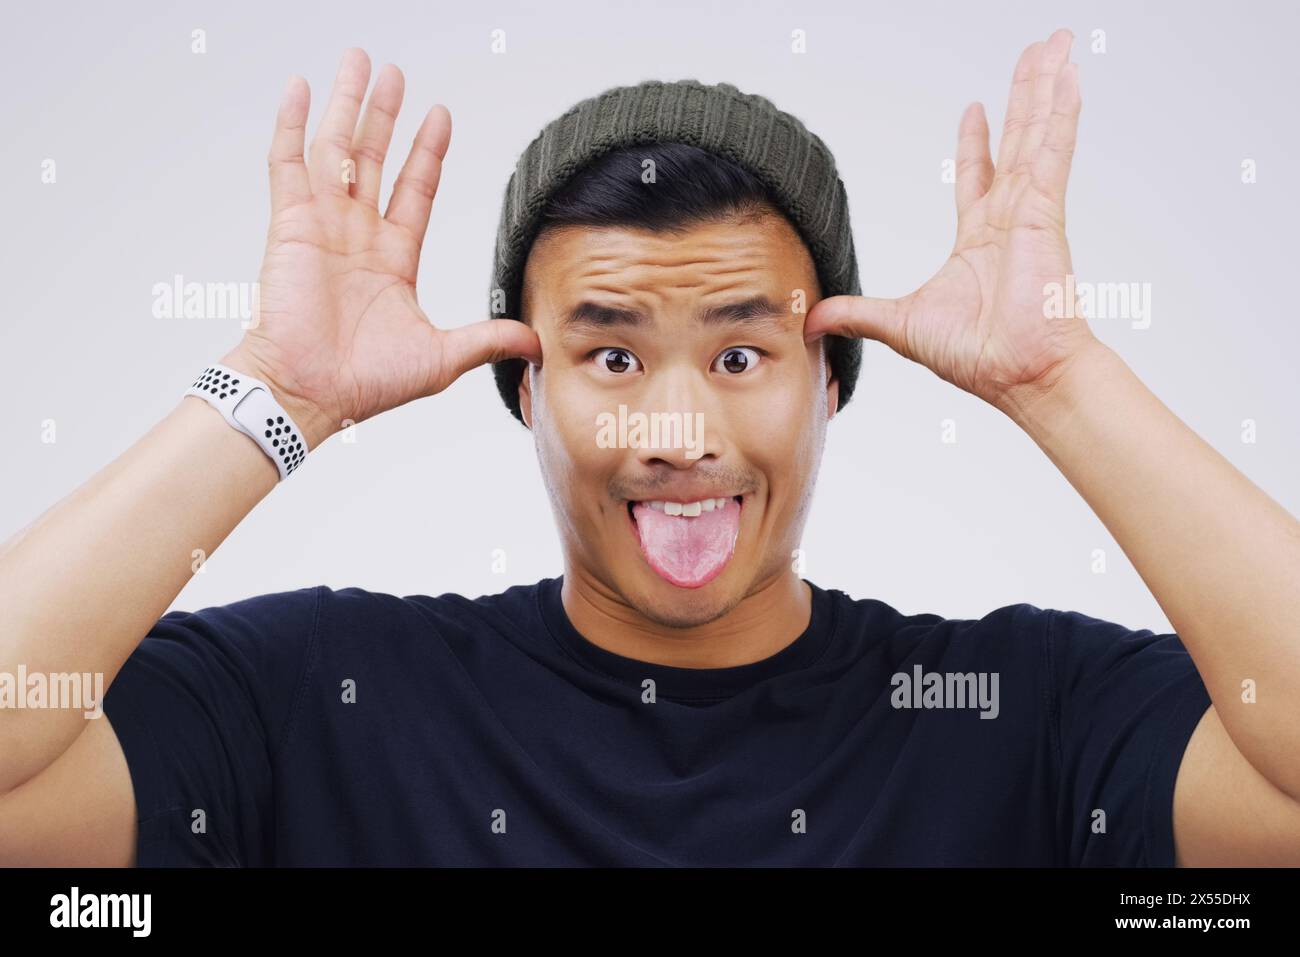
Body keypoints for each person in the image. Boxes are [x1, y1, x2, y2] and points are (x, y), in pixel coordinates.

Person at [2, 29, 1298, 867]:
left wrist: (1063, 381)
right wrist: (275, 391)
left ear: (828, 380)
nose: (680, 433)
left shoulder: (1023, 715)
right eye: (613, 354)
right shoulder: (318, 697)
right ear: (527, 388)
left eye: (741, 355)